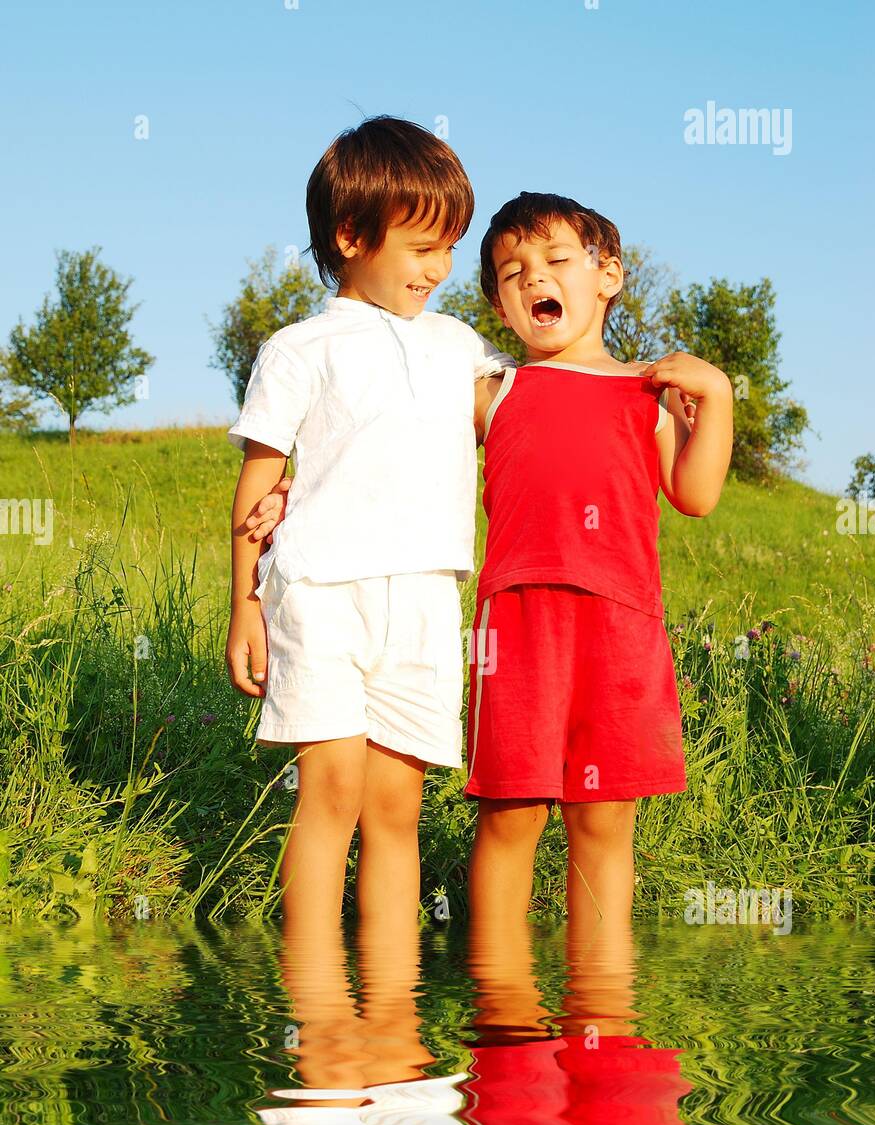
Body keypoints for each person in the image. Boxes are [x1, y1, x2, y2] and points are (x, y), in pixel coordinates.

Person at [225, 116, 515, 927]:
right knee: (333, 794)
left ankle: (391, 1020)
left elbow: (526, 413)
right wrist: (243, 608)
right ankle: (316, 1011)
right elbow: (258, 485)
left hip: (424, 597)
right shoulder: (299, 347)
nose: (443, 268)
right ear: (352, 235)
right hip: (320, 591)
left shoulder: (460, 345)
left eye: (451, 246)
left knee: (397, 808)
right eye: (424, 247)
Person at [465, 192, 733, 926]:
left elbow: (696, 494)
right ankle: (502, 1014)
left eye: (555, 260)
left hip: (621, 626)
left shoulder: (651, 395)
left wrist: (718, 393)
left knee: (605, 821)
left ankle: (603, 1018)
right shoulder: (492, 392)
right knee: (512, 813)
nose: (532, 278)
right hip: (517, 622)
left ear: (608, 275)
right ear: (499, 304)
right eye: (511, 272)